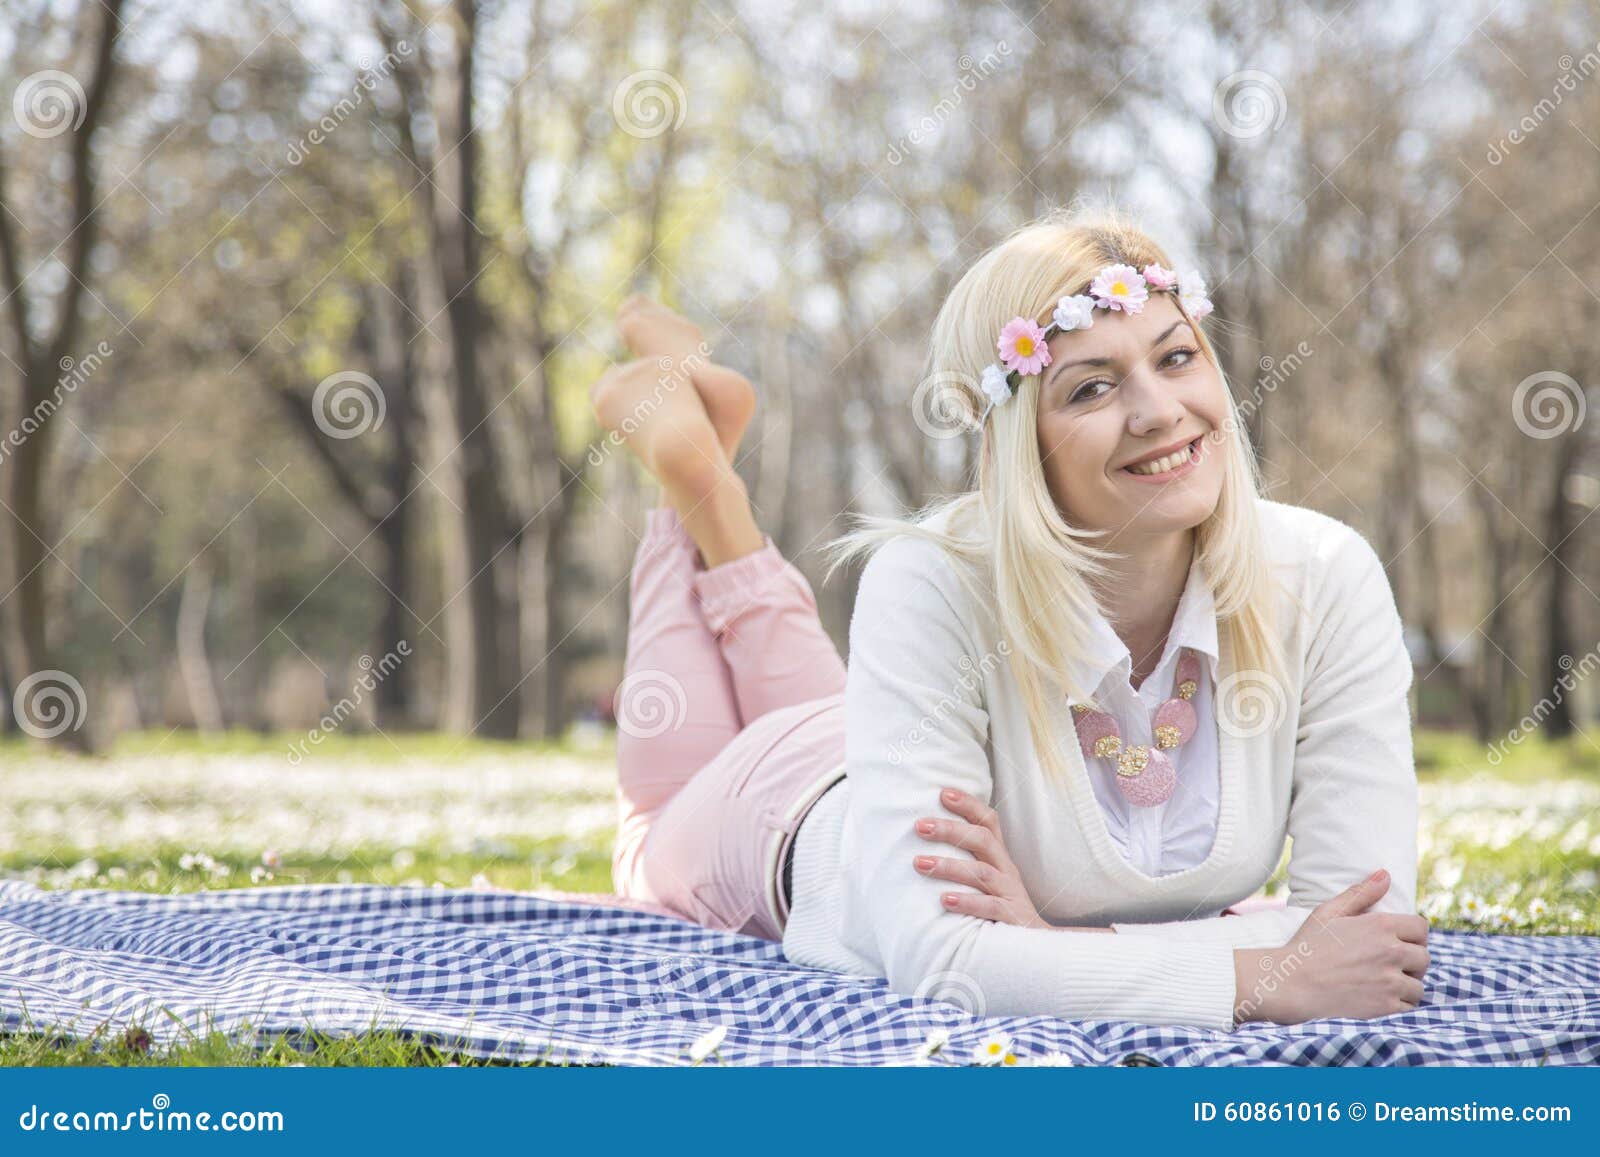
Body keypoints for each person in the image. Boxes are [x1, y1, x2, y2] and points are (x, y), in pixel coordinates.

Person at [592, 206, 1429, 1031]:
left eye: (1176, 357)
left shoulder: (1323, 574)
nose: (1157, 410)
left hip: (879, 741)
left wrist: (1055, 945)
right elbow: (945, 960)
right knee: (646, 834)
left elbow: (1368, 942)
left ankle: (697, 440)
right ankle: (695, 481)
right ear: (1020, 437)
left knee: (813, 699)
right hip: (772, 812)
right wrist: (1255, 975)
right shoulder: (929, 581)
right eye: (1091, 387)